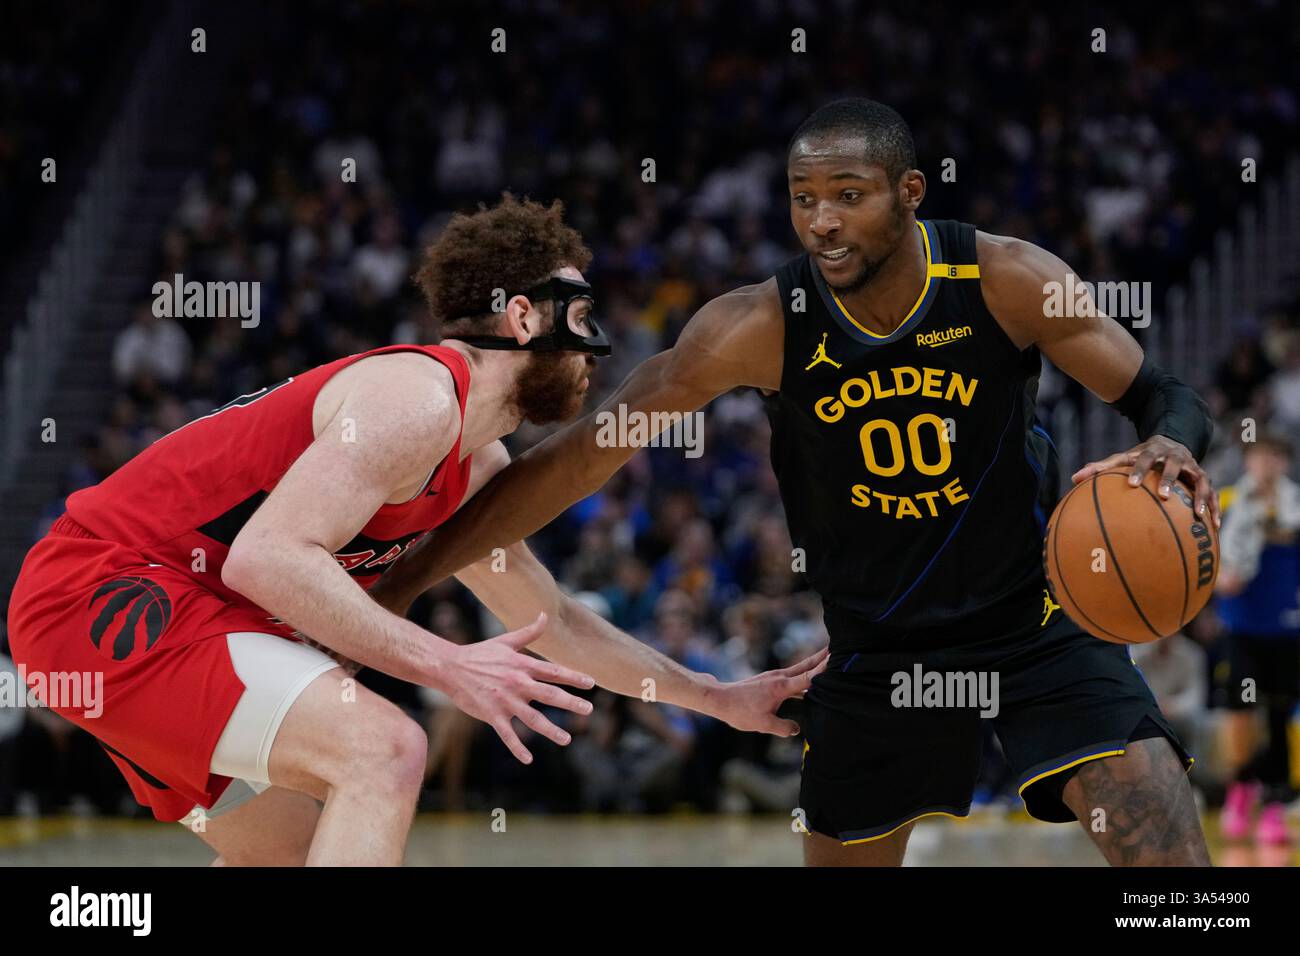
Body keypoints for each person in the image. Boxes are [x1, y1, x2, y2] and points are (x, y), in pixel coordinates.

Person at [370, 100, 1220, 866]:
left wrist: (1171, 447)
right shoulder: (757, 327)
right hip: (876, 650)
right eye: (803, 197)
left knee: (1170, 858)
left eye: (849, 194)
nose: (823, 221)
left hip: (1036, 623)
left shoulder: (1004, 280)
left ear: (911, 191)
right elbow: (587, 453)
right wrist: (409, 573)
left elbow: (1163, 395)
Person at [7, 196, 821, 866]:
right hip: (103, 592)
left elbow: (556, 622)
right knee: (385, 751)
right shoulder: (418, 399)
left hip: (177, 618)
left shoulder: (473, 464)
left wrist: (716, 697)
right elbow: (270, 555)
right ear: (524, 318)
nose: (595, 348)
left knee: (286, 850)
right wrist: (445, 664)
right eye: (580, 314)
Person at [1215, 430, 1300, 845]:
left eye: (1274, 458)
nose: (1267, 465)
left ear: (1284, 463)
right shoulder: (1229, 503)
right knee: (1240, 709)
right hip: (1243, 628)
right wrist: (1220, 579)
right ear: (1248, 462)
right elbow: (1205, 556)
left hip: (1286, 631)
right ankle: (1241, 785)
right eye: (1259, 457)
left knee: (1279, 716)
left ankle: (1274, 806)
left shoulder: (1295, 508)